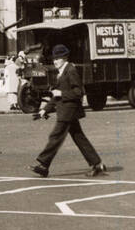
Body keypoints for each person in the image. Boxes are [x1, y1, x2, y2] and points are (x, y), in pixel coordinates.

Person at [31, 45, 106, 177]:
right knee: (79, 138)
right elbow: (56, 95)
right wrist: (44, 110)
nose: (55, 61)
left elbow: (79, 92)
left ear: (65, 58)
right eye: (54, 58)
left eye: (58, 58)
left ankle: (43, 164)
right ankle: (97, 164)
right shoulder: (62, 72)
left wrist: (61, 92)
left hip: (68, 111)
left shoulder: (70, 70)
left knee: (55, 137)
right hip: (67, 110)